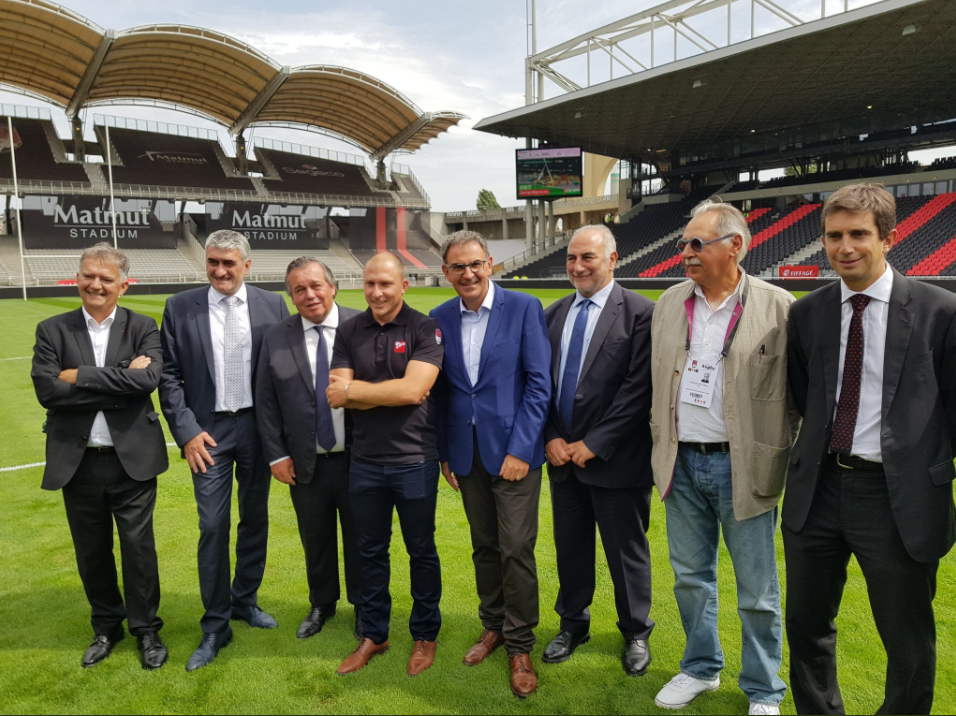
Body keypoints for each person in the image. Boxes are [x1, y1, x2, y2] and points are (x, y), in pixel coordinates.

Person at [785, 184, 956, 715]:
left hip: (895, 495)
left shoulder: (940, 311)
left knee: (906, 640)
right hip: (818, 490)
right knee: (807, 627)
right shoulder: (808, 313)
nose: (845, 247)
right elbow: (801, 394)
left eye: (859, 234)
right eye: (834, 236)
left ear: (889, 237)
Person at [649, 200, 797, 715]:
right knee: (691, 579)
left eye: (696, 244)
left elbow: (798, 395)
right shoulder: (668, 303)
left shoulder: (780, 306)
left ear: (734, 245)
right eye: (683, 244)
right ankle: (700, 668)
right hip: (680, 464)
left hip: (744, 467)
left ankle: (763, 689)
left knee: (757, 590)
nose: (685, 253)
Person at [31, 243, 169, 670]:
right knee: (91, 550)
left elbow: (147, 380)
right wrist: (118, 377)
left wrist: (80, 377)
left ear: (122, 286)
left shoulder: (144, 325)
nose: (96, 284)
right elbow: (47, 390)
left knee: (137, 549)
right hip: (78, 460)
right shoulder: (52, 329)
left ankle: (146, 629)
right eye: (89, 275)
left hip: (133, 459)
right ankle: (106, 626)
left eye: (106, 278)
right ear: (78, 278)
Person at [159, 230, 290, 671]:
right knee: (213, 526)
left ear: (247, 266)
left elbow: (283, 371)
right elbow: (170, 376)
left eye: (228, 263)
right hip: (207, 433)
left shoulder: (272, 305)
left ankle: (244, 601)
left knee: (255, 519)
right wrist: (187, 432)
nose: (219, 270)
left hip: (256, 429)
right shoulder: (180, 306)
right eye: (213, 262)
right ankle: (215, 625)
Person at [430, 231, 551, 698]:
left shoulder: (522, 308)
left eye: (475, 264)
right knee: (484, 547)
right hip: (466, 454)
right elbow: (442, 394)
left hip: (514, 454)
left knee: (516, 547)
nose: (468, 274)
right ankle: (493, 626)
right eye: (458, 267)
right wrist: (444, 451)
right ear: (446, 273)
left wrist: (521, 449)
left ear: (491, 264)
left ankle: (521, 645)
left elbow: (539, 384)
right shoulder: (439, 317)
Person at [541, 225, 656, 678]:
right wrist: (551, 435)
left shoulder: (641, 313)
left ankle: (635, 632)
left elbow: (638, 389)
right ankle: (573, 624)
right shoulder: (552, 314)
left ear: (612, 259)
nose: (577, 266)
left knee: (626, 553)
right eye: (571, 258)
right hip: (562, 459)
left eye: (587, 257)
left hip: (617, 460)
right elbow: (540, 385)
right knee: (570, 548)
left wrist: (596, 442)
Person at [328, 252, 444, 678]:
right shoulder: (348, 329)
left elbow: (414, 391)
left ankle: (425, 633)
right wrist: (384, 391)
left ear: (404, 285)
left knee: (421, 551)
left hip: (414, 459)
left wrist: (359, 390)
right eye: (370, 283)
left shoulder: (424, 327)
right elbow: (335, 392)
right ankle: (375, 634)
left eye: (386, 284)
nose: (377, 292)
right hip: (365, 461)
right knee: (369, 552)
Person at [254, 257, 362, 640]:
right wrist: (277, 455)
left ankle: (364, 606)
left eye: (316, 285)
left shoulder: (360, 325)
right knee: (315, 538)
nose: (309, 294)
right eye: (299, 289)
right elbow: (265, 402)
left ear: (332, 287)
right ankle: (322, 604)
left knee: (361, 537)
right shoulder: (276, 335)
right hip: (304, 463)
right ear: (291, 296)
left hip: (358, 459)